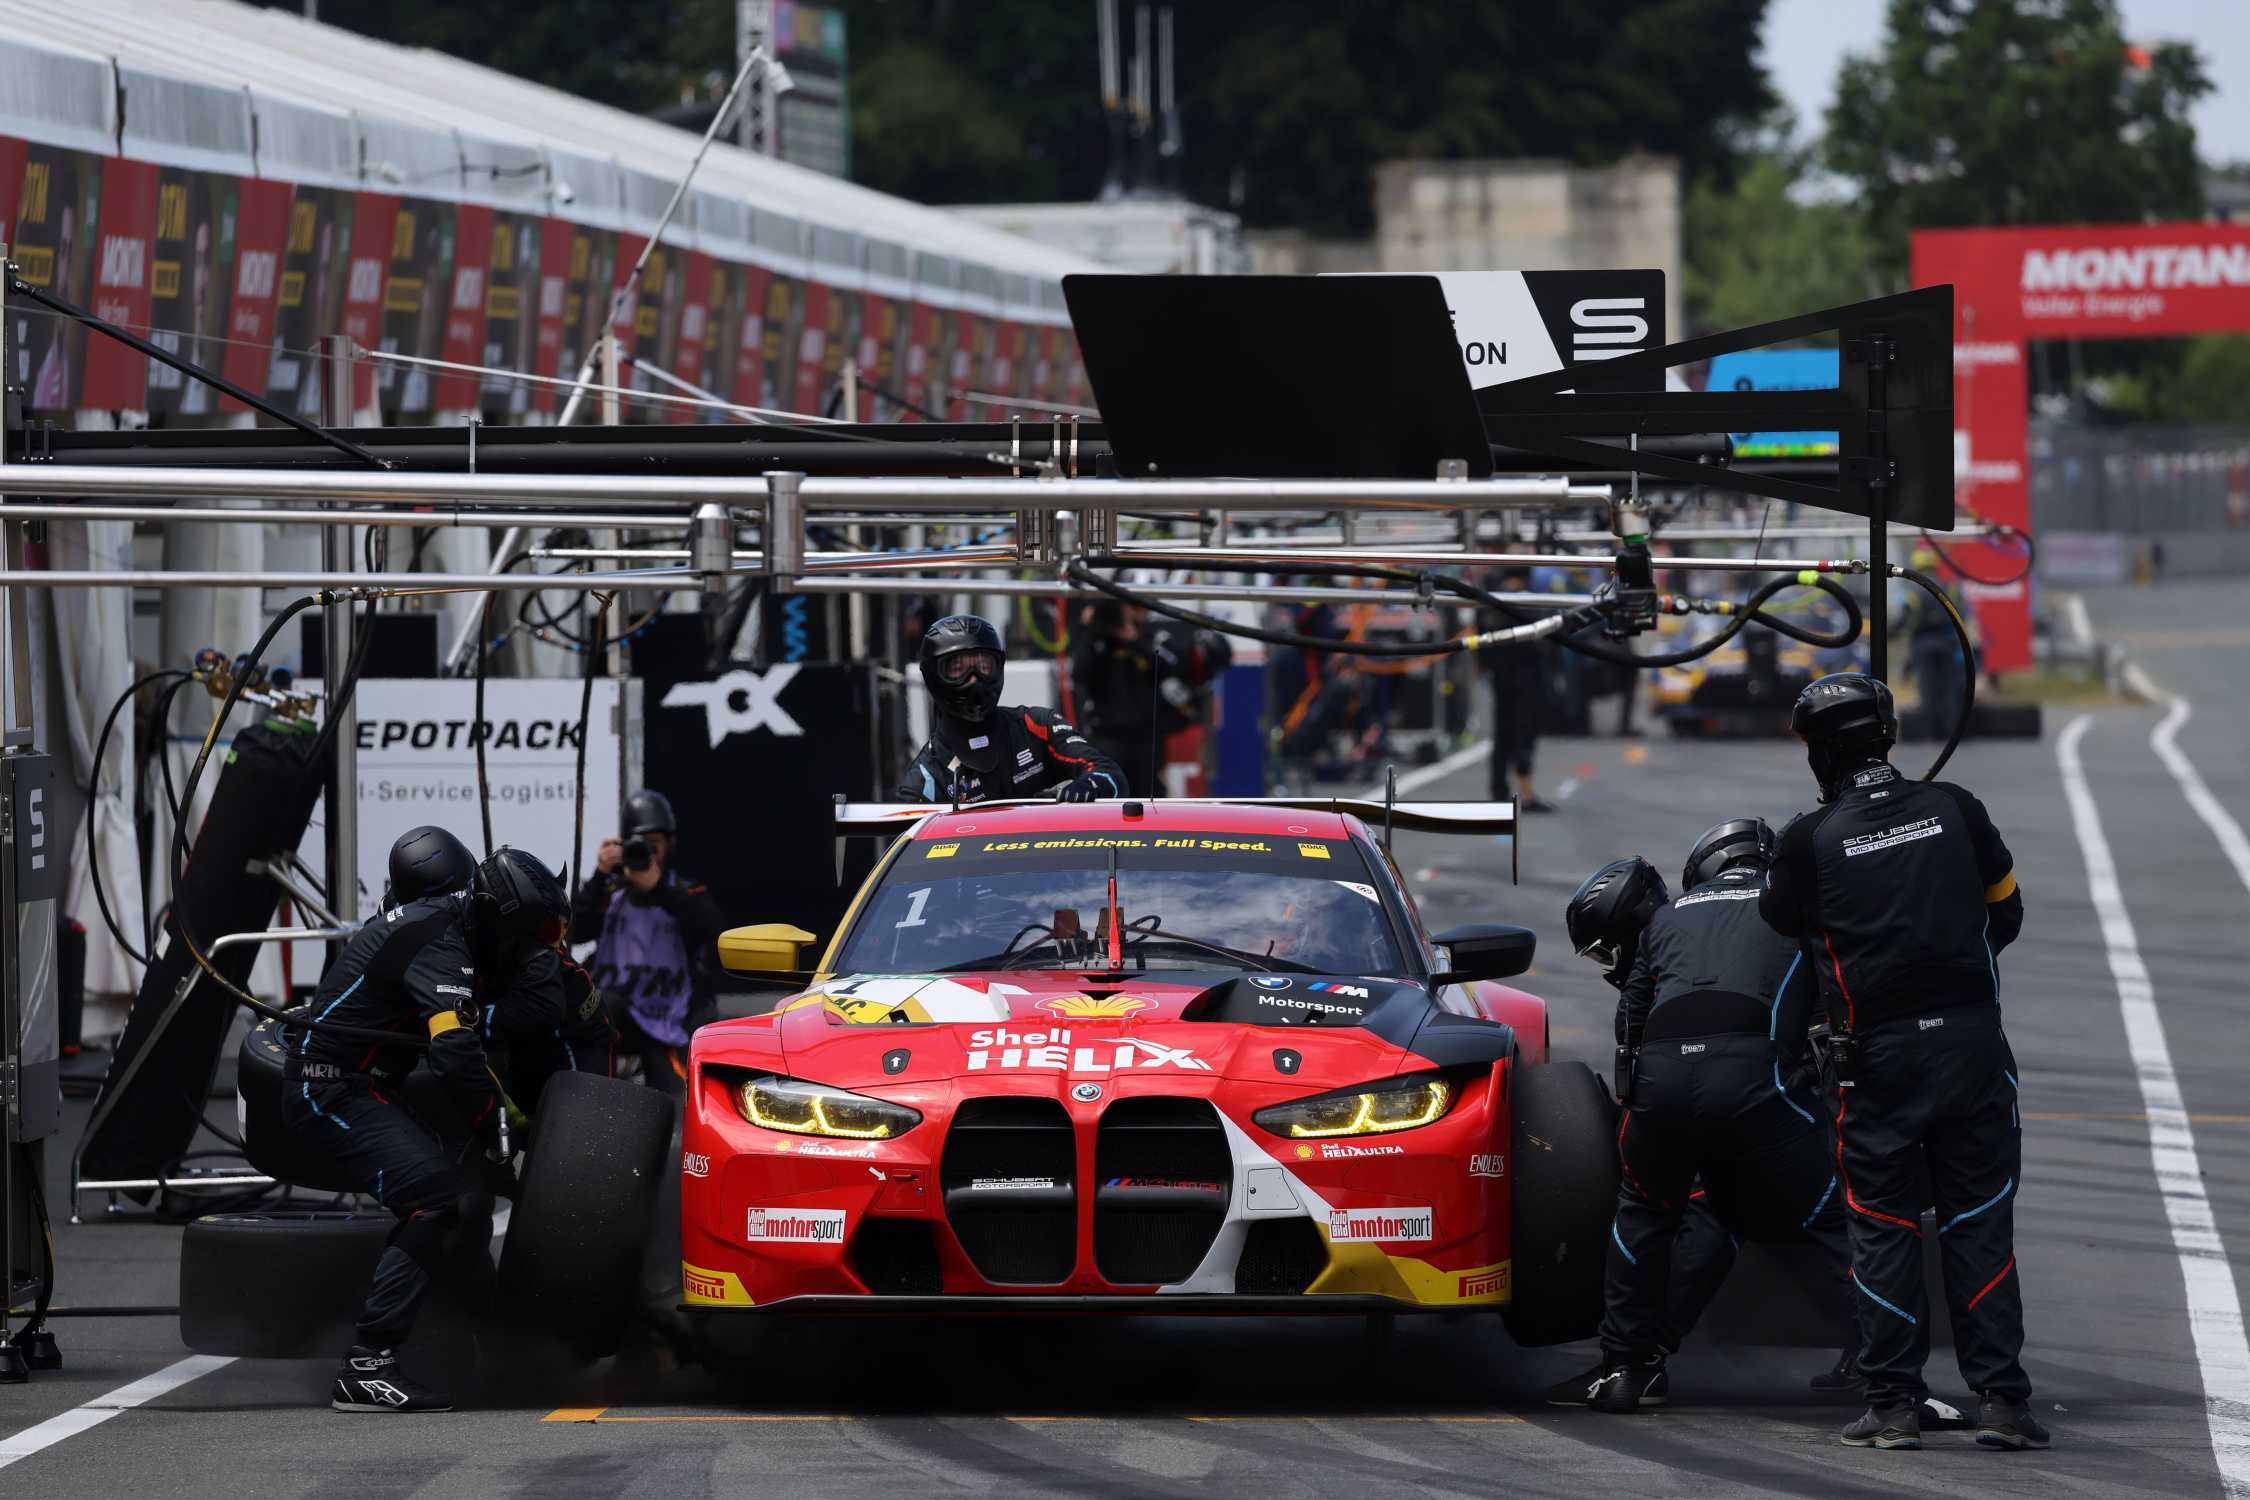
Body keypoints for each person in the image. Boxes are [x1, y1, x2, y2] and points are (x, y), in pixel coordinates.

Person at [1761, 673, 2038, 1452]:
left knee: (1882, 1226)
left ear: (1819, 750)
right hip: (1971, 1045)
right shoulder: (1956, 808)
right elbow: (2006, 910)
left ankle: (1892, 1404)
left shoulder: (1809, 839)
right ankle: (2004, 1403)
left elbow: (1780, 919)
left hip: (1874, 1059)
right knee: (1978, 1218)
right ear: (1886, 733)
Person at [1566, 819, 1853, 1414]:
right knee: (1838, 1213)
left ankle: (1624, 1365)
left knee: (1643, 1211)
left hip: (1664, 1083)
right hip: (1755, 1081)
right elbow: (1840, 997)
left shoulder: (1668, 918)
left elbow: (1631, 1028)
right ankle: (1889, 1368)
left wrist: (1641, 1101)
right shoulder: (1793, 903)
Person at [281, 846, 569, 1414]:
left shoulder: (448, 924)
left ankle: (487, 1346)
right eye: (527, 938)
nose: (533, 952)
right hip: (329, 1087)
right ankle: (366, 1366)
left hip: (369, 1083)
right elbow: (456, 1054)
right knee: (436, 1201)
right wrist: (499, 1135)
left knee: (467, 1201)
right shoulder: (442, 944)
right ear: (495, 919)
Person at [570, 788, 723, 1097]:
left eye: (654, 845)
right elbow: (574, 931)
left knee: (676, 1104)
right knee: (597, 1009)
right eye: (639, 845)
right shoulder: (610, 890)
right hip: (616, 1013)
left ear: (670, 843)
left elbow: (710, 930)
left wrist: (659, 890)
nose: (646, 853)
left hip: (669, 1017)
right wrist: (600, 876)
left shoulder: (686, 892)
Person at [896, 613, 1125, 804]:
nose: (974, 680)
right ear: (933, 675)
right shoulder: (925, 778)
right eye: (958, 668)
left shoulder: (1038, 725)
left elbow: (1110, 774)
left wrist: (1090, 785)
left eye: (984, 666)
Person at [1068, 601, 1231, 795]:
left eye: (1137, 608)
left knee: (1148, 803)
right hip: (1107, 738)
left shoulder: (1153, 641)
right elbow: (1079, 674)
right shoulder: (1097, 643)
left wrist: (1134, 640)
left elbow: (1173, 670)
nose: (1131, 615)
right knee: (1105, 800)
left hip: (1146, 742)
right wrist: (1090, 630)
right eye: (1130, 608)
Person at [1484, 570, 1553, 812]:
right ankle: (1524, 792)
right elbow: (1544, 641)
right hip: (1525, 678)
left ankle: (1499, 789)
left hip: (1502, 677)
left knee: (1502, 733)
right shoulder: (1529, 603)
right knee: (1524, 735)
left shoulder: (1494, 602)